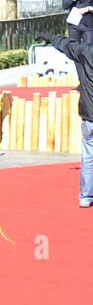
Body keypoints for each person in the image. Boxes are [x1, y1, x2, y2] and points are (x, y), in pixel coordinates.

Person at [38, 31, 93, 206]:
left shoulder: (84, 50)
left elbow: (65, 44)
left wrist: (48, 36)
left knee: (89, 156)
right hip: (88, 113)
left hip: (89, 113)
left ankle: (86, 196)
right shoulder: (84, 50)